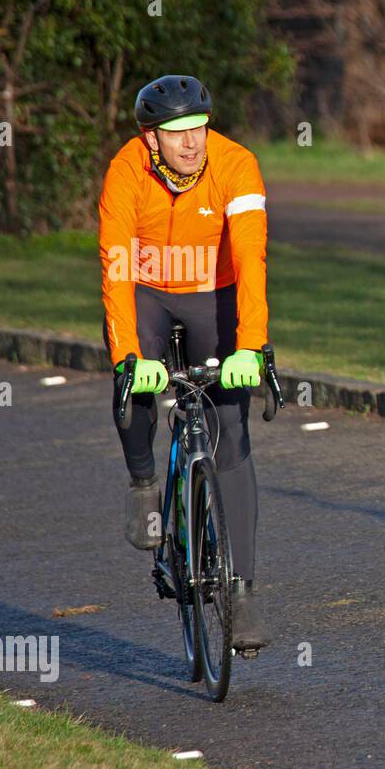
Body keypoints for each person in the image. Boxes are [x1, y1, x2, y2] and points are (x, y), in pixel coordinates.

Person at [99, 74, 271, 652]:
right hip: (147, 292)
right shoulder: (125, 171)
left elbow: (250, 255)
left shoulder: (236, 164)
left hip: (213, 295)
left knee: (231, 432)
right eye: (176, 134)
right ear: (151, 138)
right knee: (132, 390)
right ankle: (145, 481)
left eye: (198, 128)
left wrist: (252, 345)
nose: (192, 143)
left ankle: (241, 593)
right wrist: (128, 358)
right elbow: (116, 267)